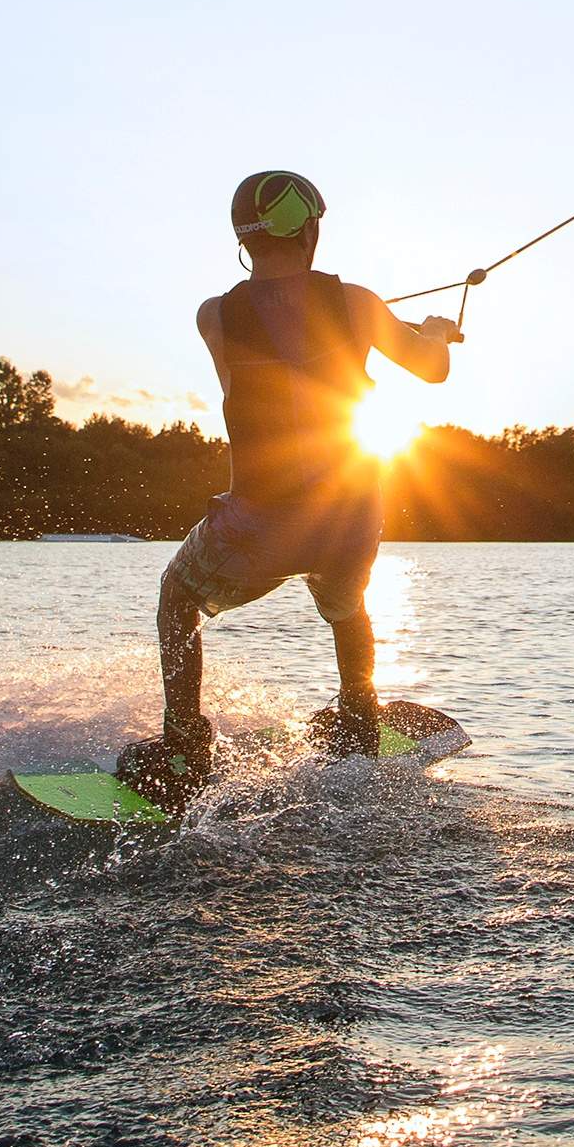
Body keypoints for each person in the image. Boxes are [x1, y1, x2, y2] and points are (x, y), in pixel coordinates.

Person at [136, 169, 460, 797]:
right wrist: (436, 332)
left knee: (178, 598)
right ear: (309, 230)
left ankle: (184, 746)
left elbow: (275, 343)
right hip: (349, 518)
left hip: (260, 521)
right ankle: (359, 725)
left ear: (244, 238)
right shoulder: (358, 304)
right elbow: (432, 369)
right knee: (346, 606)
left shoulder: (213, 316)